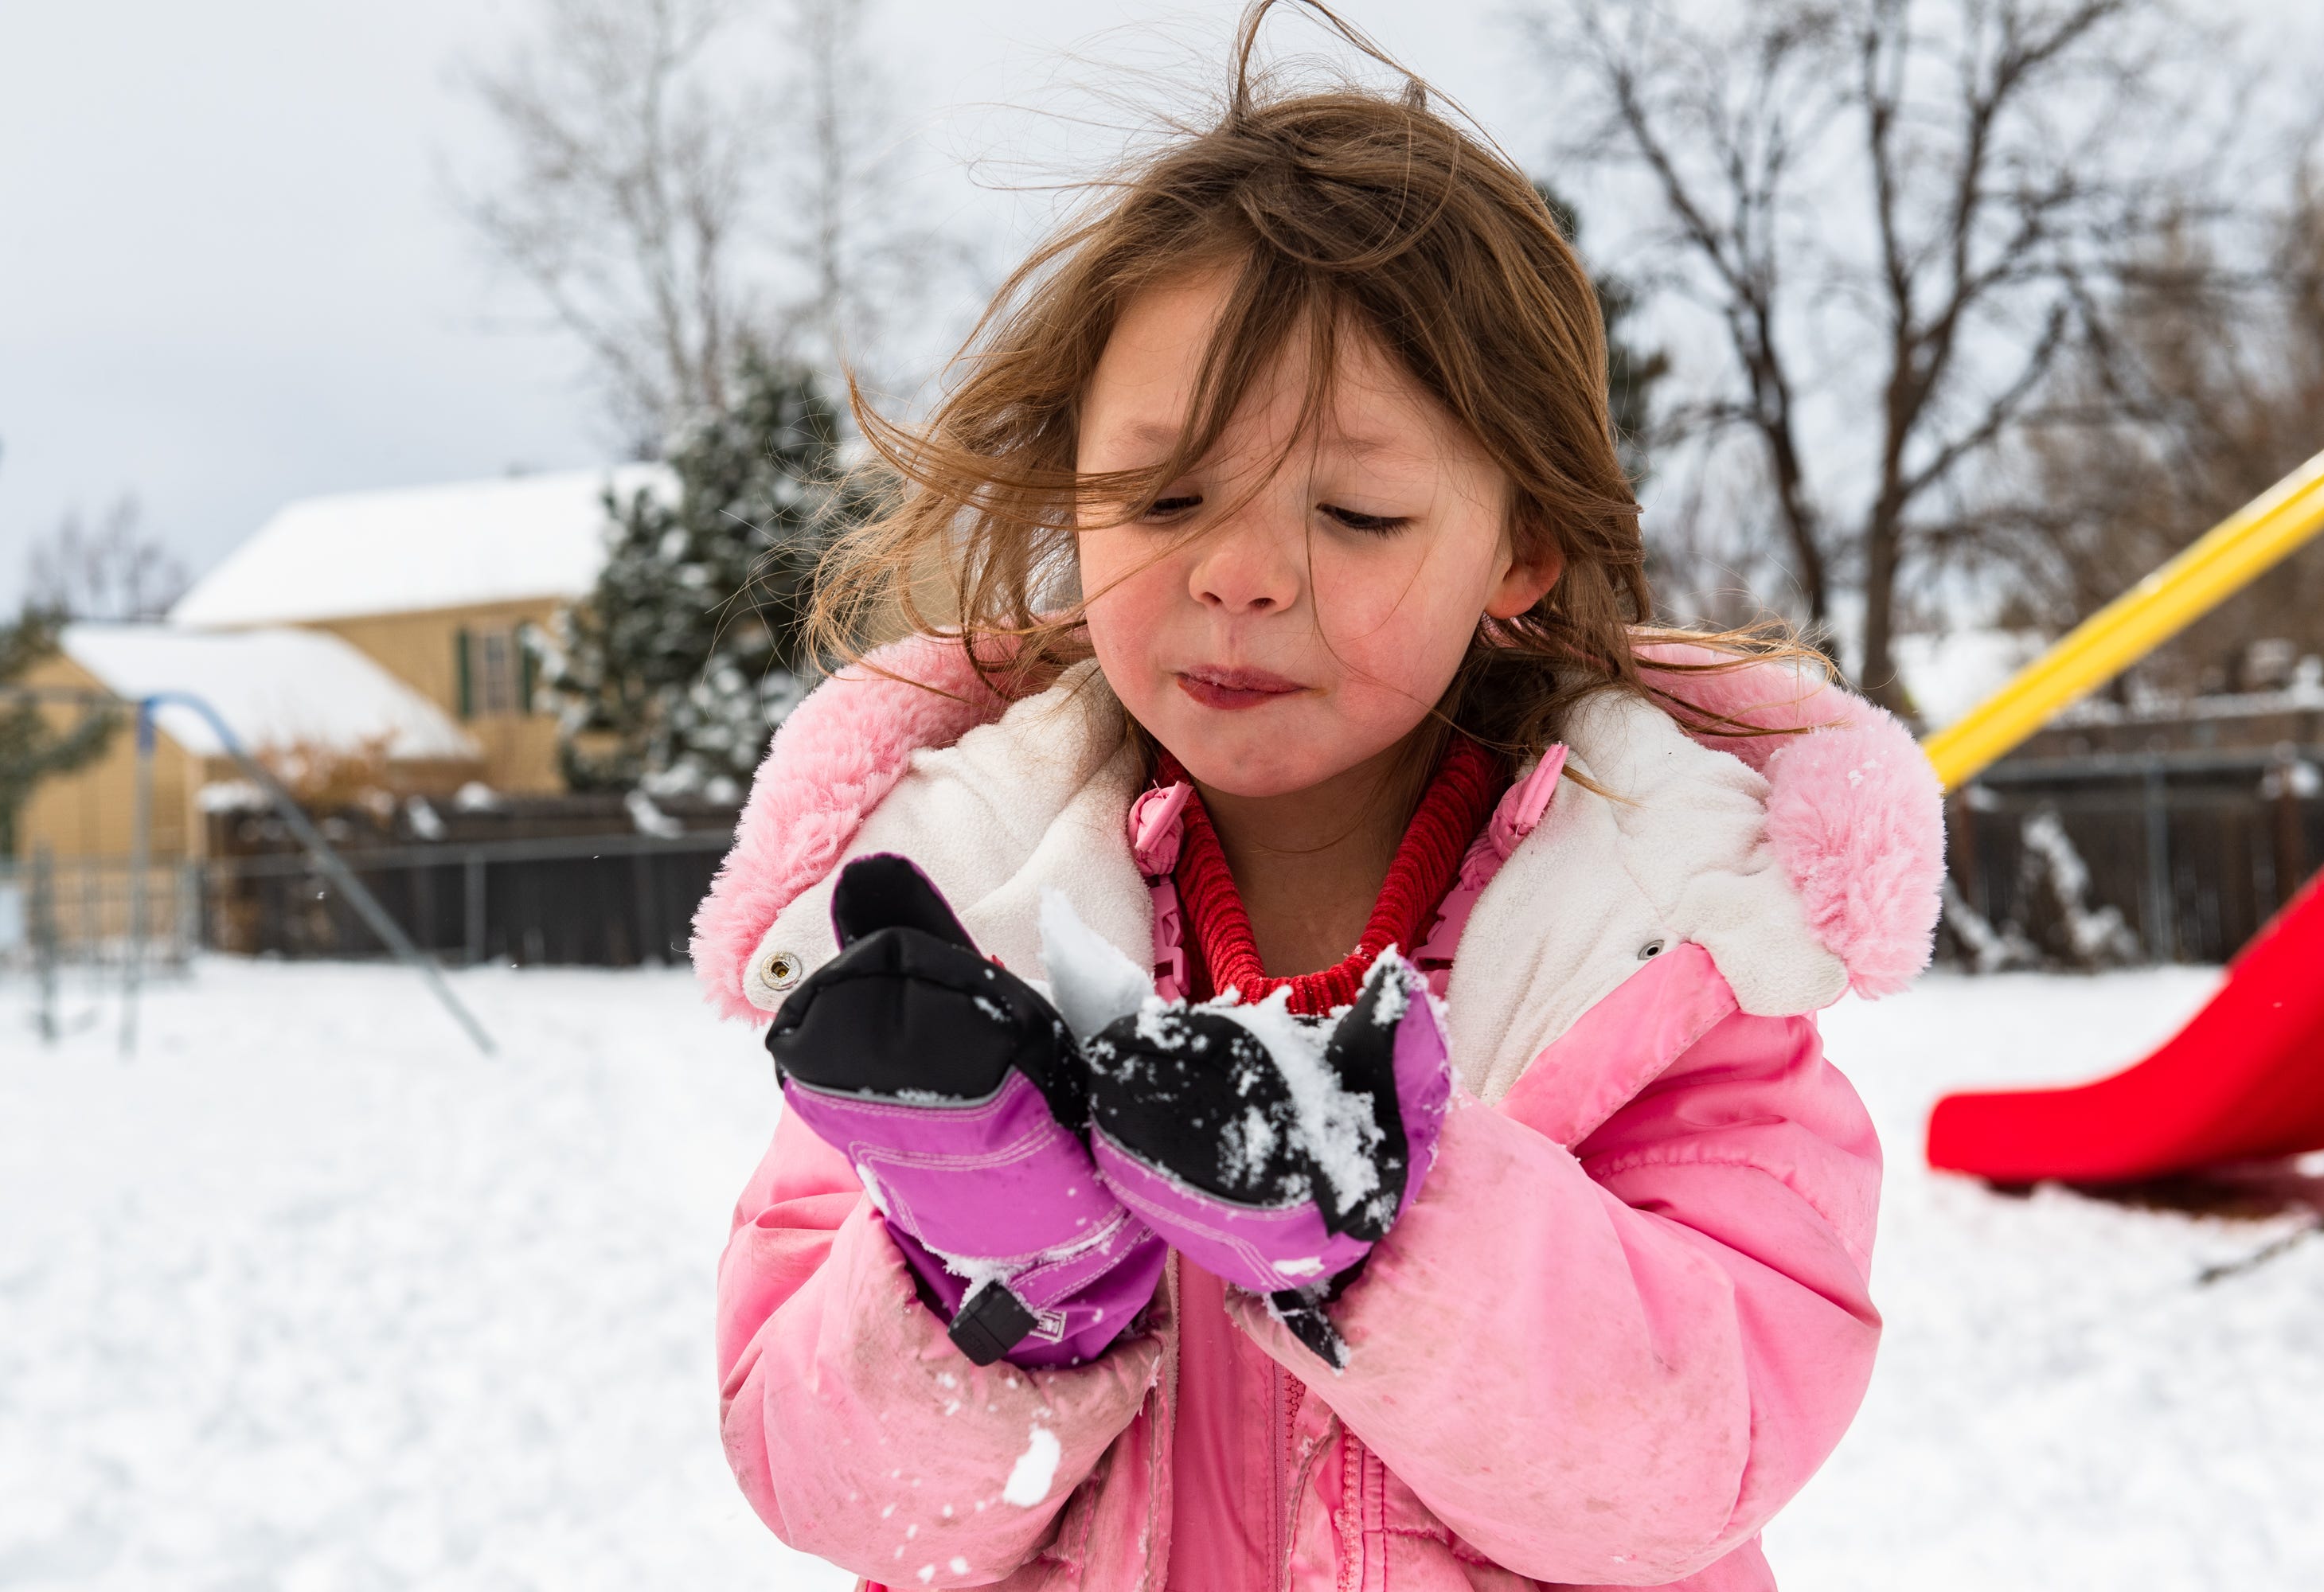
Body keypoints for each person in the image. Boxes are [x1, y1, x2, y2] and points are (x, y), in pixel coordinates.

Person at [694, 4, 1945, 1586]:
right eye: (1165, 495)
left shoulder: (1663, 942)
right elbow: (826, 1490)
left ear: (1520, 550)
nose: (1238, 577)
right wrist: (991, 1273)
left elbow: (1705, 1455)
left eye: (1353, 511)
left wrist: (1386, 1220)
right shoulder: (957, 895)